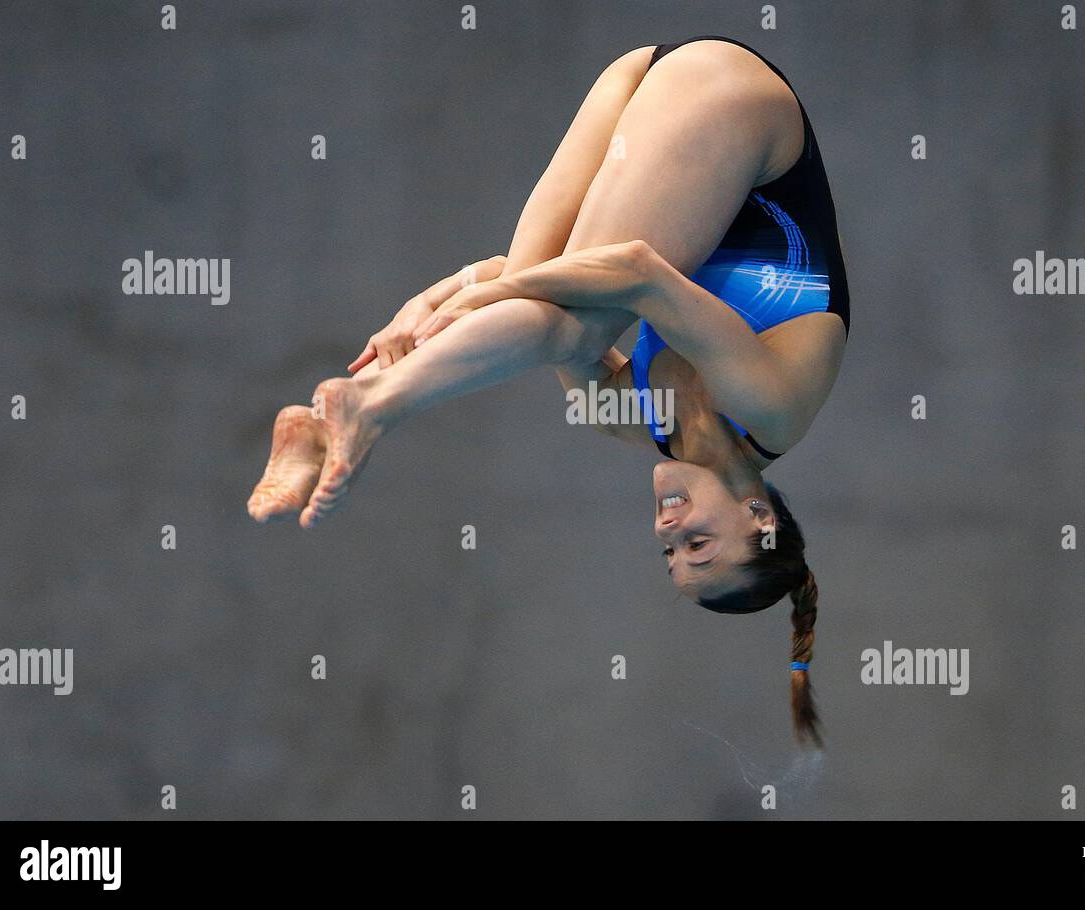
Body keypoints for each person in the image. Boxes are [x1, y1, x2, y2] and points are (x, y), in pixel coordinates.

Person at [247, 36, 850, 744]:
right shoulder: (772, 406)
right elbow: (635, 268)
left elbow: (546, 301)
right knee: (572, 328)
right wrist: (472, 296)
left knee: (554, 319)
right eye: (699, 544)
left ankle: (346, 414)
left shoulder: (633, 420)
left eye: (668, 553)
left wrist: (443, 297)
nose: (667, 532)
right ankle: (372, 410)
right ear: (759, 516)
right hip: (737, 102)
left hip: (643, 76)